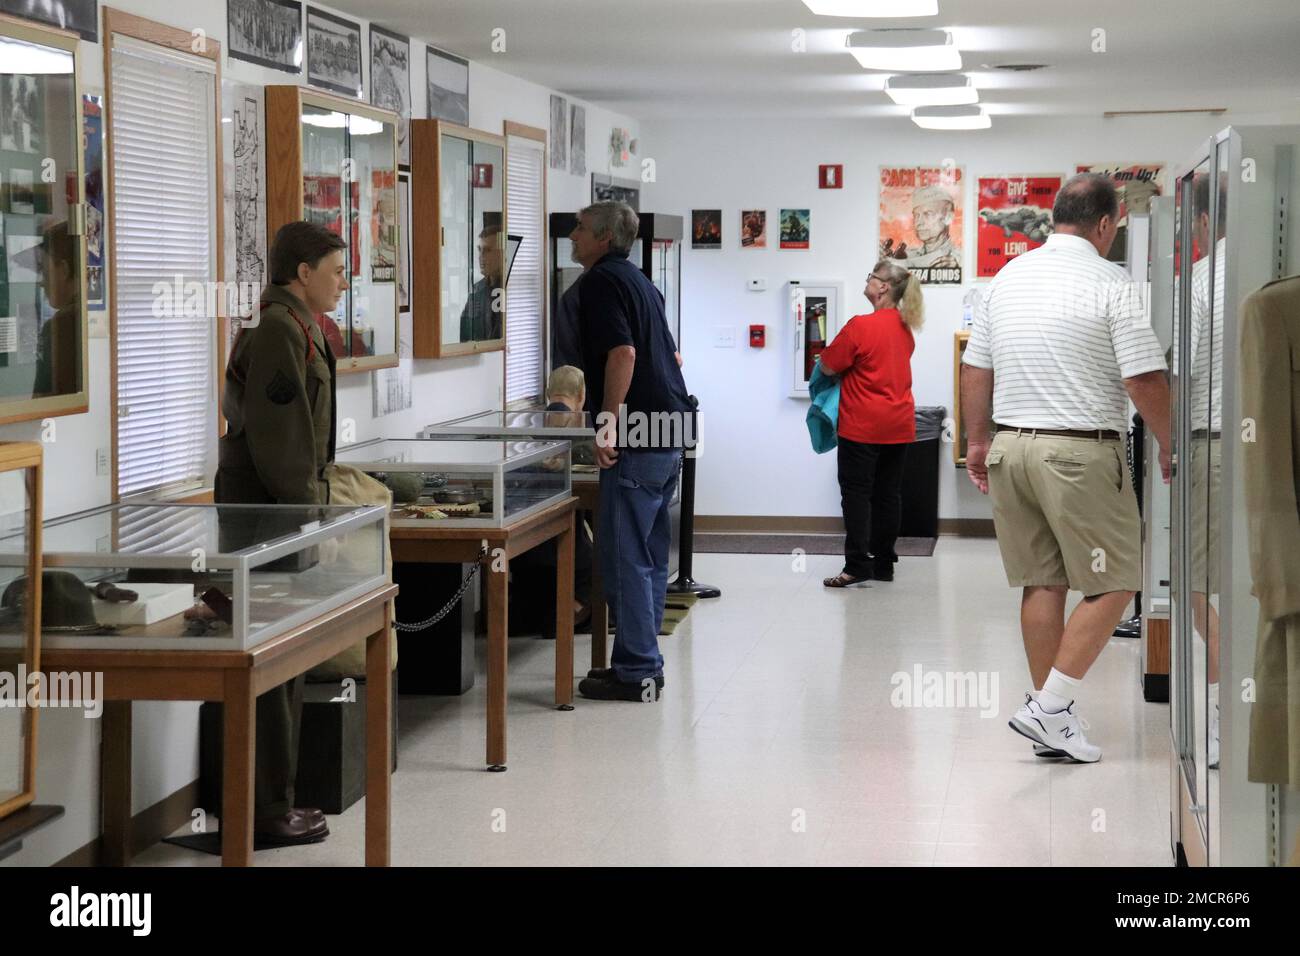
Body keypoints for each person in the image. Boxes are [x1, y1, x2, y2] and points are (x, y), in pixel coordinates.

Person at [960, 172, 1171, 763]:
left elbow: (977, 369)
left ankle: (1053, 717)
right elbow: (1143, 377)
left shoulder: (1007, 276)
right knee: (1118, 579)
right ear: (1106, 225)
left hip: (1012, 450)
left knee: (1043, 580)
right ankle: (1050, 707)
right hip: (1077, 452)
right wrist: (1172, 442)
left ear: (1056, 217)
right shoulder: (1111, 279)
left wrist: (979, 444)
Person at [215, 221, 347, 844]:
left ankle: (275, 798)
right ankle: (265, 808)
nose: (343, 280)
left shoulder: (299, 327)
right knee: (269, 665)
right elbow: (283, 448)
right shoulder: (276, 331)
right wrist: (309, 519)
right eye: (335, 269)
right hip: (268, 522)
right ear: (302, 273)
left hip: (283, 518)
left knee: (285, 662)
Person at [570, 201, 694, 702]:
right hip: (669, 425)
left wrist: (607, 423)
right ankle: (640, 662)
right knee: (646, 553)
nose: (572, 236)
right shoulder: (642, 280)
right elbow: (673, 353)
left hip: (639, 432)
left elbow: (624, 354)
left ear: (602, 237)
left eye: (579, 229)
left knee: (623, 557)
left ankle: (638, 668)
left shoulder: (600, 283)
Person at [818, 260, 923, 587]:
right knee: (888, 494)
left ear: (883, 287)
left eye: (870, 277)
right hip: (899, 424)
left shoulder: (860, 326)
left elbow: (829, 365)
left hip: (862, 425)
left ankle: (856, 565)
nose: (867, 281)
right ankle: (884, 563)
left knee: (856, 495)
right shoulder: (905, 327)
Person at [33, 220, 81, 397]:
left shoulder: (57, 328)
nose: (41, 283)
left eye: (45, 272)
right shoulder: (83, 317)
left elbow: (41, 402)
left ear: (64, 270)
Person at [459, 224, 504, 341]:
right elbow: (465, 333)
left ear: (502, 254)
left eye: (487, 250)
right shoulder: (477, 290)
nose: (481, 257)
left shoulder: (512, 289)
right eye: (480, 250)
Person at [898, 184, 959, 269]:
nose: (919, 222)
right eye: (916, 215)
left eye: (928, 214)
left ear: (948, 217)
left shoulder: (961, 260)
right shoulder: (906, 256)